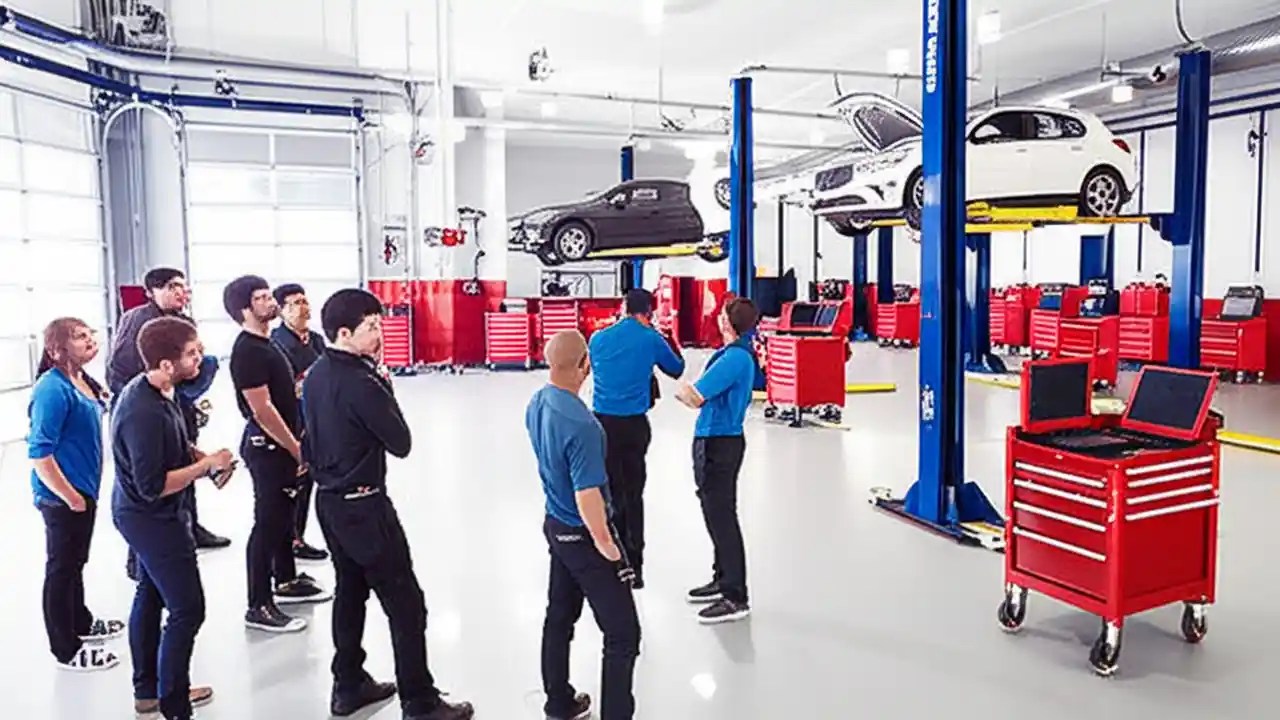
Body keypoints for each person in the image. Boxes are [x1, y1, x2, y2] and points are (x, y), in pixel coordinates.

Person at [302, 289, 474, 720]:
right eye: (372, 327)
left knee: (351, 591)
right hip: (364, 505)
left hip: (330, 503)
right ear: (344, 333)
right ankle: (420, 700)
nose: (381, 332)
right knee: (406, 603)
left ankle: (348, 684)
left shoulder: (318, 373)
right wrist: (385, 389)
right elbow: (401, 443)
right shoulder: (363, 381)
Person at [112, 317, 232, 720]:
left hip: (156, 512)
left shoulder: (166, 392)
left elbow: (180, 445)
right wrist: (203, 468)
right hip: (150, 518)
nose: (200, 360)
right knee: (187, 609)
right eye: (192, 355)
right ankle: (175, 705)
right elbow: (152, 485)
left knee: (150, 593)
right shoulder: (141, 411)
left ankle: (150, 690)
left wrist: (207, 461)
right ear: (165, 364)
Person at [528, 330, 641, 720]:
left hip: (555, 524)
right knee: (624, 634)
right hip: (582, 534)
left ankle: (558, 700)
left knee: (559, 614)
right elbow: (587, 495)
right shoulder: (584, 426)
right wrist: (608, 546)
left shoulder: (538, 402)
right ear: (585, 367)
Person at [225, 276, 332, 634]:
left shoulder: (267, 343)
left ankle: (285, 580)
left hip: (287, 443)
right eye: (261, 298)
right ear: (245, 308)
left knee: (285, 518)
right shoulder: (248, 351)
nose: (270, 302)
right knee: (268, 524)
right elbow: (262, 409)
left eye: (269, 295)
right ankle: (258, 603)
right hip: (268, 448)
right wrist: (295, 447)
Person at [107, 267, 230, 551]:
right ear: (152, 291)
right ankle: (141, 550)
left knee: (181, 457)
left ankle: (190, 525)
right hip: (149, 407)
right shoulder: (138, 320)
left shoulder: (183, 321)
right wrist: (148, 396)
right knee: (149, 474)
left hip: (176, 402)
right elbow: (121, 370)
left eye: (183, 286)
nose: (180, 292)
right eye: (172, 286)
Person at [28, 318, 124, 671]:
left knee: (75, 564)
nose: (90, 341)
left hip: (83, 488)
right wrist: (69, 496)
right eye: (80, 337)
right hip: (62, 495)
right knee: (62, 568)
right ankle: (65, 647)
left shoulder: (82, 380)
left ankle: (81, 622)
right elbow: (40, 453)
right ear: (56, 350)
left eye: (90, 335)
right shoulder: (52, 389)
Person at [587, 288, 684, 588]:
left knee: (609, 494)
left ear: (622, 308)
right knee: (633, 494)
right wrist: (668, 336)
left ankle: (612, 561)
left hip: (602, 425)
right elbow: (677, 370)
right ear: (649, 312)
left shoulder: (598, 339)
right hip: (634, 427)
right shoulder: (650, 339)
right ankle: (635, 567)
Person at [675, 297, 760, 625]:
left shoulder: (735, 358)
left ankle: (735, 596)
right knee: (714, 512)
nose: (717, 317)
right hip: (713, 439)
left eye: (722, 314)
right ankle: (721, 577)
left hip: (720, 444)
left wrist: (683, 388)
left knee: (722, 517)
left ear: (728, 322)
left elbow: (694, 396)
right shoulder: (729, 355)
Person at [269, 282, 329, 563]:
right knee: (290, 484)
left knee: (308, 484)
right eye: (294, 303)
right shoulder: (277, 344)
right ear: (281, 311)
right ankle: (285, 544)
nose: (302, 308)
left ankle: (298, 537)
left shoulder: (316, 340)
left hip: (316, 420)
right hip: (289, 422)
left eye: (304, 301)